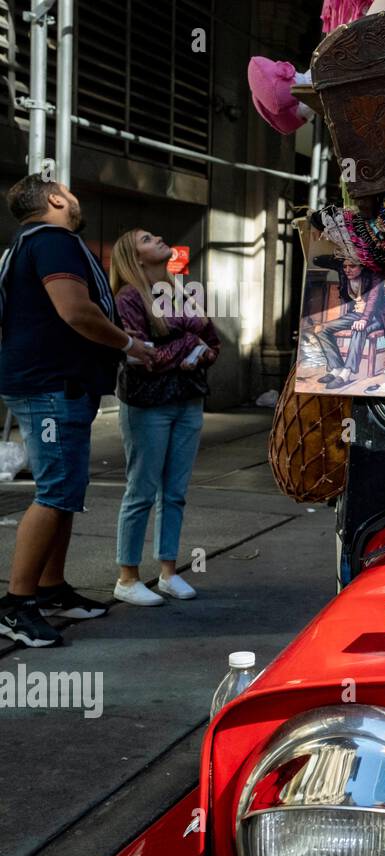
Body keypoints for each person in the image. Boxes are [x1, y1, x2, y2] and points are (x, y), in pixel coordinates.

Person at [0, 175, 156, 647]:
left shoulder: (26, 244)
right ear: (54, 199)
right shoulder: (54, 240)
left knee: (64, 491)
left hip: (53, 385)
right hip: (52, 387)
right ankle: (16, 605)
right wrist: (129, 344)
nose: (74, 199)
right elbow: (75, 310)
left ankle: (50, 588)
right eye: (68, 192)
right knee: (54, 493)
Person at [109, 229, 221, 606]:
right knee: (141, 490)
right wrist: (189, 343)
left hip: (188, 399)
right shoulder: (128, 297)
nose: (157, 238)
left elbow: (213, 342)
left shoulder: (179, 291)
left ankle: (168, 573)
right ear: (136, 257)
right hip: (147, 404)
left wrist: (201, 350)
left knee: (175, 493)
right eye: (146, 239)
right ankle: (127, 577)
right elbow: (143, 357)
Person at [304, 255, 385, 389]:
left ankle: (346, 373)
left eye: (352, 266)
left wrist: (364, 320)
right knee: (321, 329)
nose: (347, 269)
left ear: (362, 266)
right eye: (345, 266)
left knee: (359, 329)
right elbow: (318, 260)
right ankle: (336, 367)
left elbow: (373, 299)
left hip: (378, 317)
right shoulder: (344, 273)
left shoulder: (374, 275)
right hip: (356, 314)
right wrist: (343, 255)